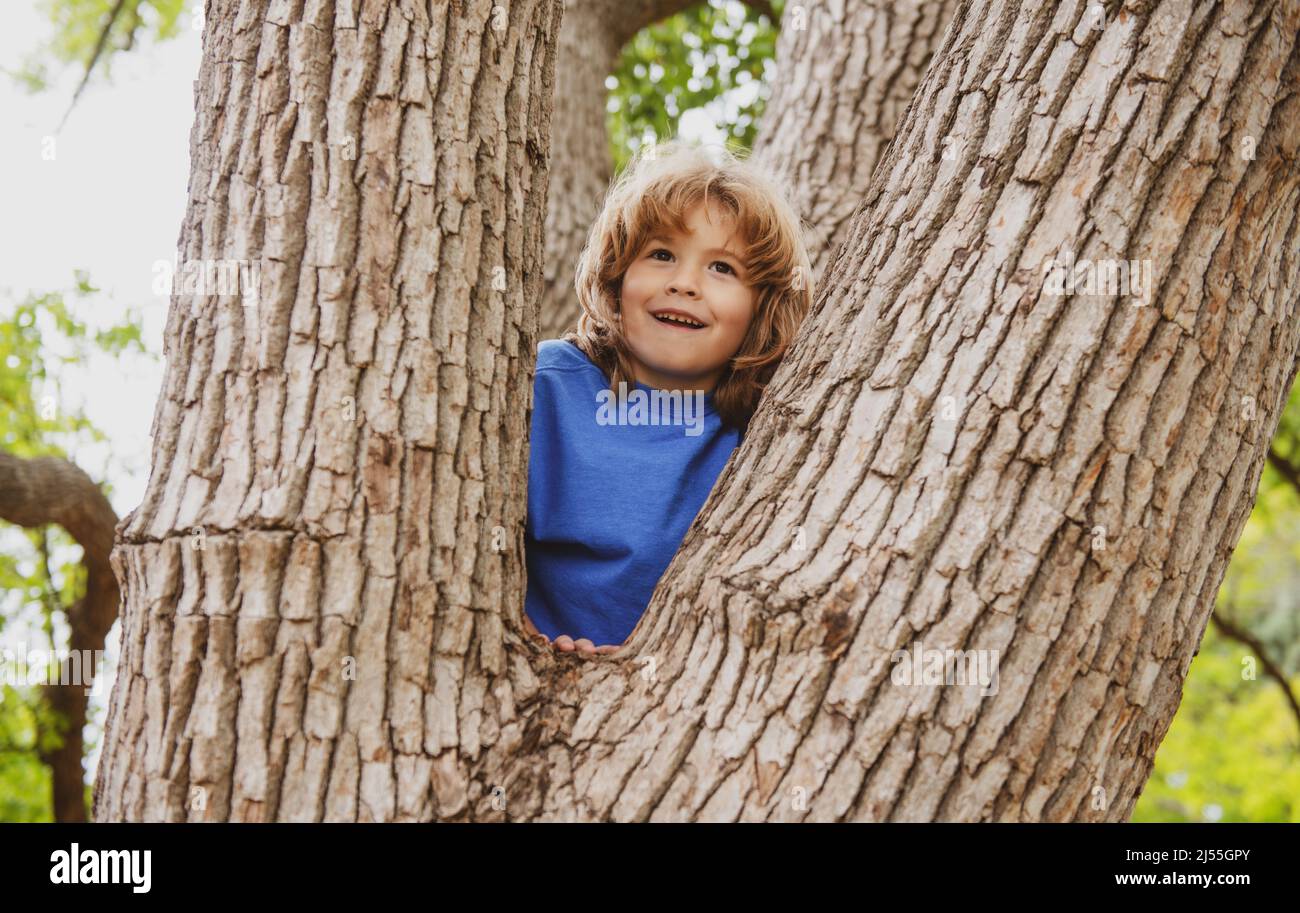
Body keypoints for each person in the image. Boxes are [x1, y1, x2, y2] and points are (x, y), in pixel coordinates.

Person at [523, 139, 813, 656]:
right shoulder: (546, 386)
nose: (684, 284)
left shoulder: (764, 431)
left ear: (760, 309)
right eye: (661, 255)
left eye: (722, 269)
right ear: (618, 279)